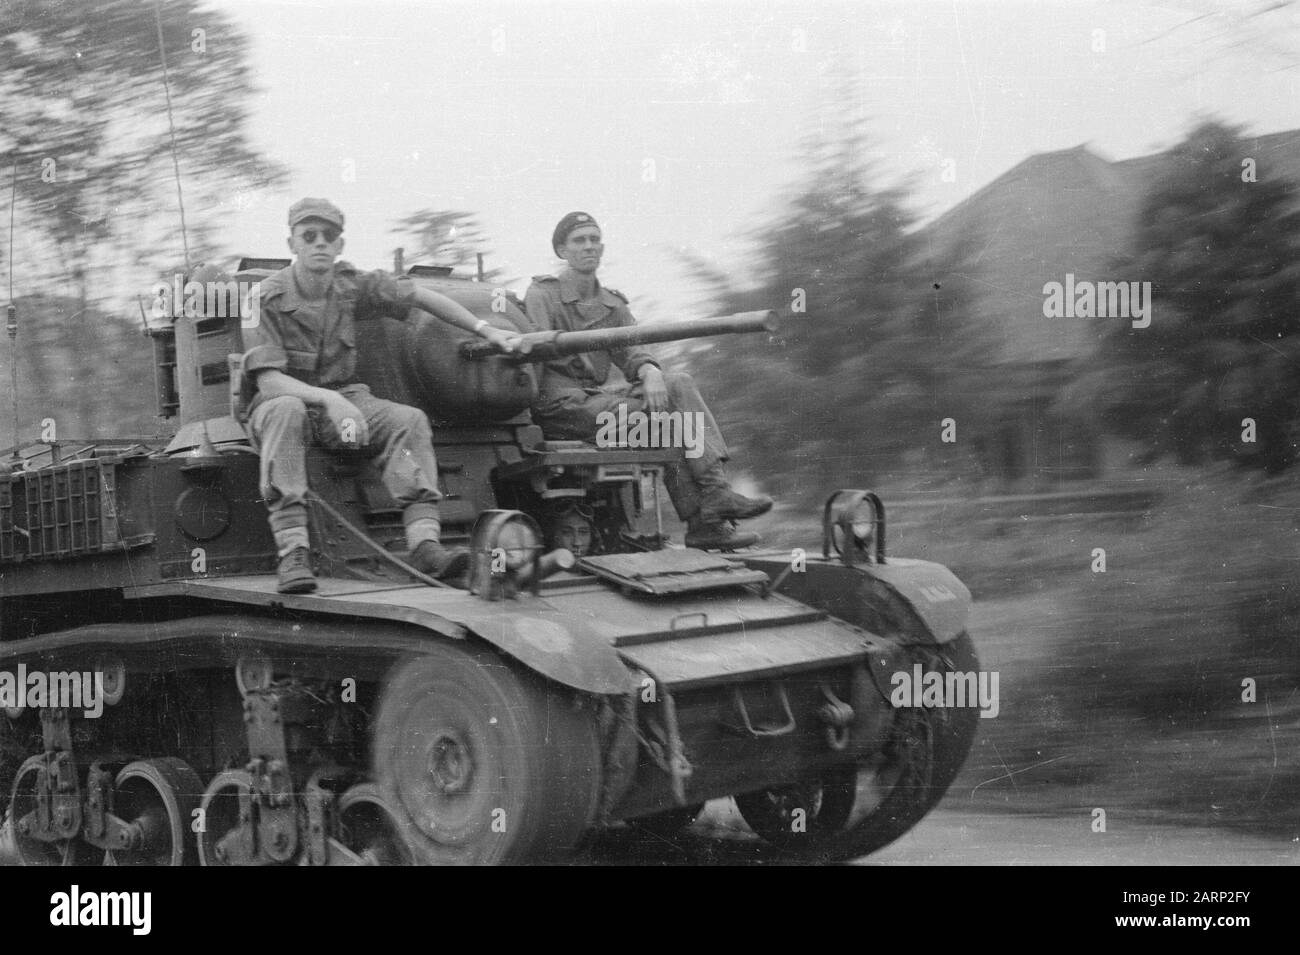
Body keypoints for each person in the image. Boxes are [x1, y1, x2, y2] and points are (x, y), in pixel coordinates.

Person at [242, 198, 519, 593]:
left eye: (329, 236)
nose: (319, 243)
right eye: (309, 235)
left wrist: (485, 330)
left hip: (345, 399)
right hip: (280, 406)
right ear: (293, 243)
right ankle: (293, 553)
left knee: (409, 420)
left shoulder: (350, 285)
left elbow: (421, 297)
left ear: (339, 245)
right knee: (286, 410)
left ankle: (425, 546)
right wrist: (330, 401)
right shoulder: (263, 299)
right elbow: (269, 382)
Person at [524, 212, 772, 550]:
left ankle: (713, 498)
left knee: (678, 383)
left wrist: (650, 371)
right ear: (561, 251)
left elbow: (634, 352)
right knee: (673, 422)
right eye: (579, 241)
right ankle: (705, 518)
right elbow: (538, 351)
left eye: (594, 240)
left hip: (597, 402)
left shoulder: (612, 303)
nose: (589, 247)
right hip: (563, 408)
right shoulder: (543, 295)